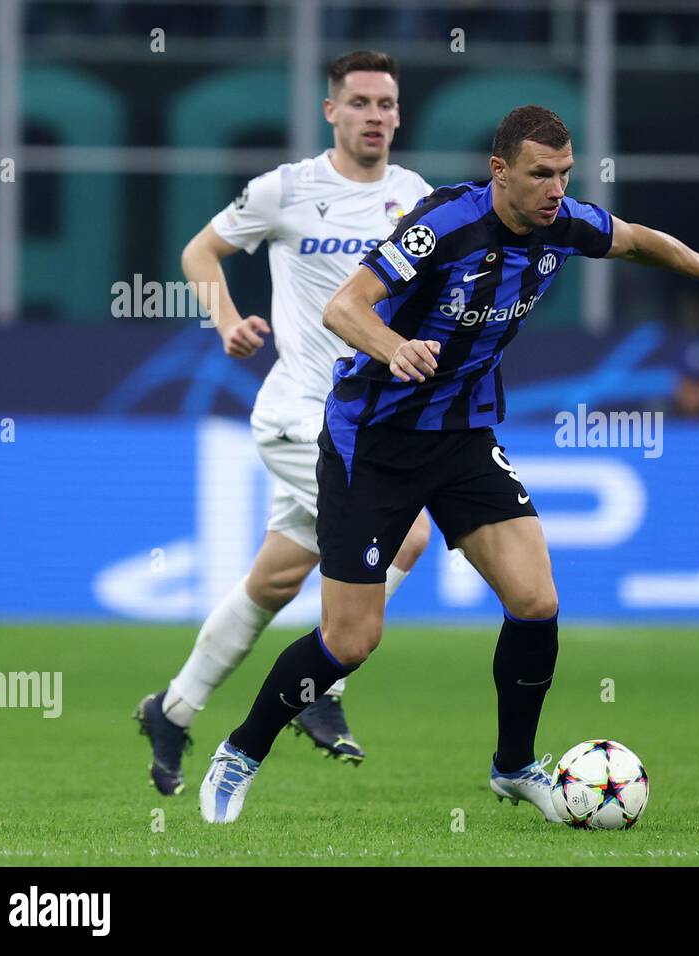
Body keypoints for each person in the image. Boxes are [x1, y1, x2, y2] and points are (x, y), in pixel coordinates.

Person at [197, 104, 699, 823]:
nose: (556, 190)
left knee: (536, 601)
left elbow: (634, 241)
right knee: (351, 640)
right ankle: (241, 751)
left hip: (463, 438)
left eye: (566, 175)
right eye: (542, 174)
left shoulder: (562, 222)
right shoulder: (442, 225)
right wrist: (393, 348)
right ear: (499, 171)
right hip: (373, 442)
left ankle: (514, 767)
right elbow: (346, 307)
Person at [135, 51, 433, 795]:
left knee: (274, 580)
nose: (375, 115)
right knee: (410, 528)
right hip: (298, 412)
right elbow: (200, 249)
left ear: (399, 113)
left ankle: (172, 708)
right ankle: (322, 691)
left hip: (368, 417)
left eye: (386, 103)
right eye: (360, 101)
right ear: (331, 111)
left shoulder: (418, 199)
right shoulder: (288, 190)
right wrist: (227, 320)